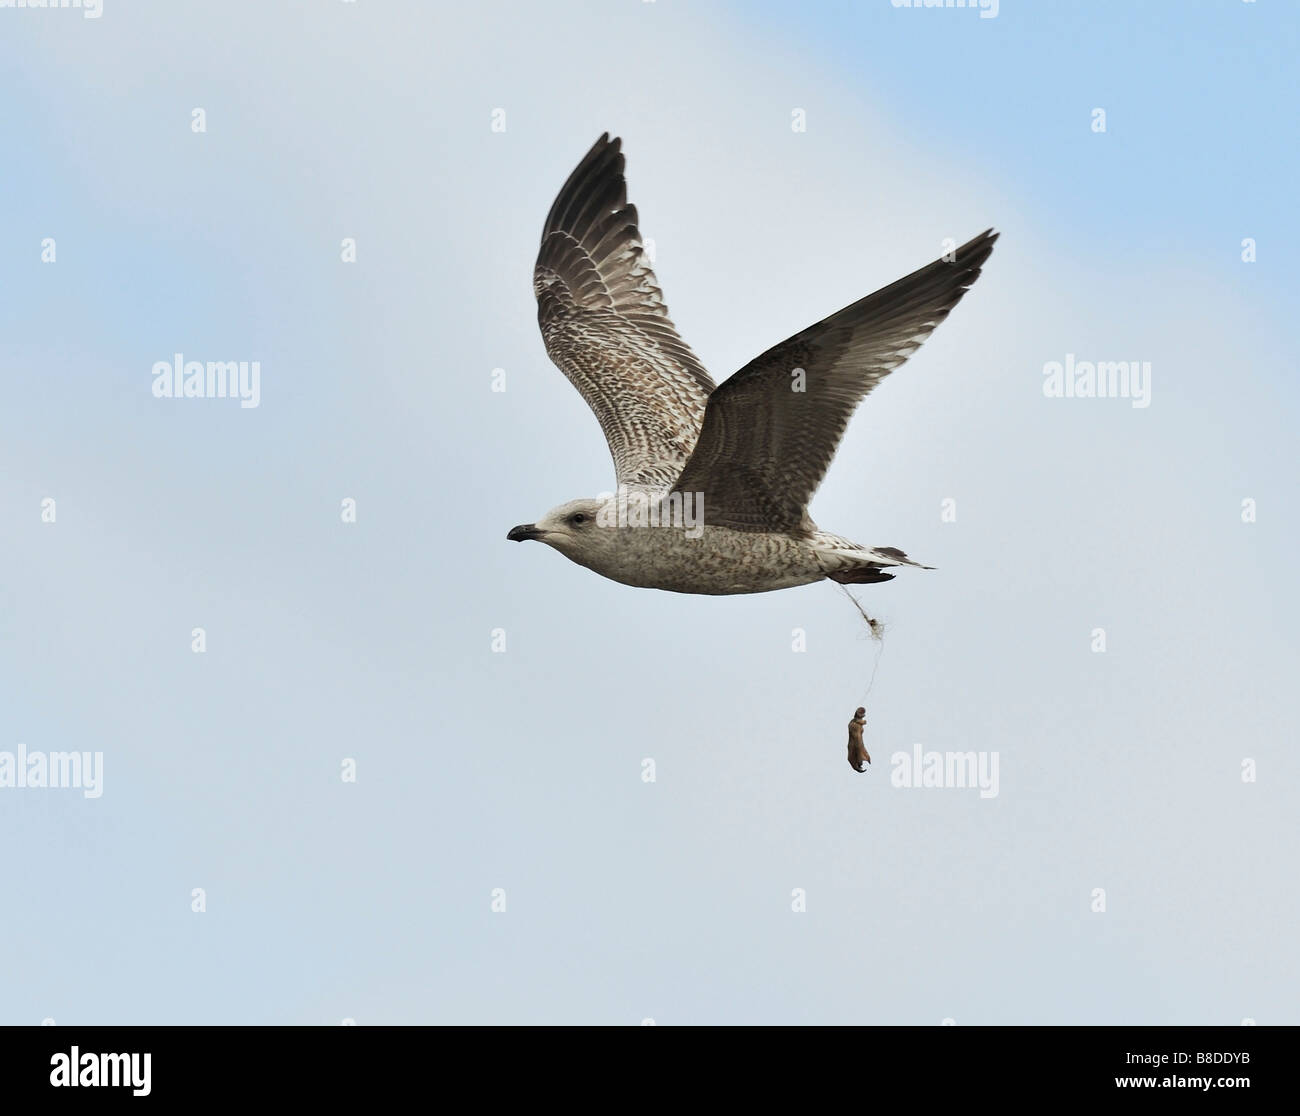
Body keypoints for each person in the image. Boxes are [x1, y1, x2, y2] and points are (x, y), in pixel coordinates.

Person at [847, 707, 870, 772]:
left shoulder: (855, 724)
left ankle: (858, 763)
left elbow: (858, 741)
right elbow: (858, 741)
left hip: (855, 746)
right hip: (855, 745)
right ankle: (858, 762)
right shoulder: (854, 725)